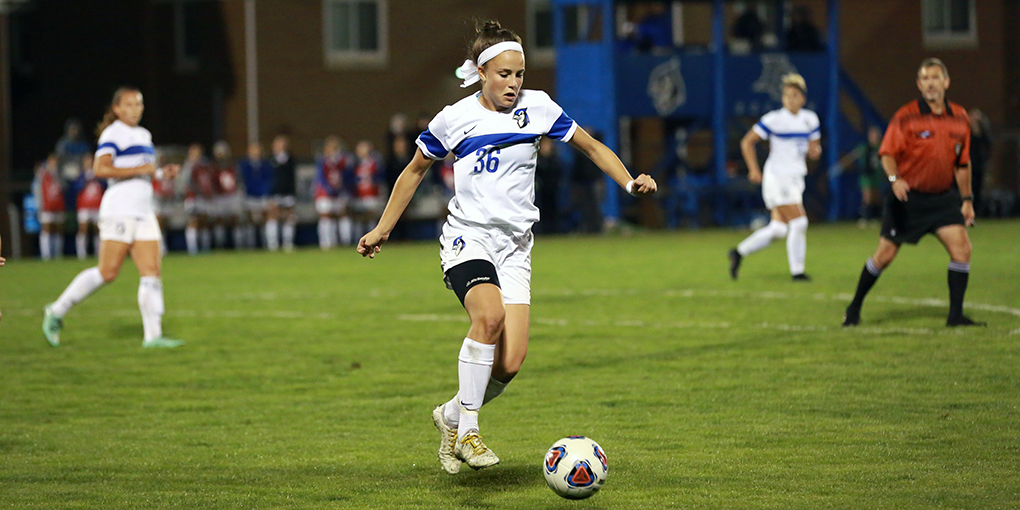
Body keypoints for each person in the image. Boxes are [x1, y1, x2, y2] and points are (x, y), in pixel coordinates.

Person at [356, 20, 657, 474]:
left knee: (511, 361)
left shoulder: (538, 108)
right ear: (481, 73)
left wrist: (629, 181)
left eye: (519, 74)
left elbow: (592, 147)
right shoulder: (454, 118)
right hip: (468, 237)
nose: (514, 83)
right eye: (504, 75)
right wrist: (383, 227)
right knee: (489, 317)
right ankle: (468, 433)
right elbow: (414, 170)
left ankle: (451, 414)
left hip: (516, 246)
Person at [843, 58, 982, 327]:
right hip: (908, 199)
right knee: (884, 256)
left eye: (935, 77)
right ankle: (854, 307)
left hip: (942, 198)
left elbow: (962, 163)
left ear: (946, 82)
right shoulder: (906, 116)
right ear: (919, 85)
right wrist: (895, 179)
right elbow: (886, 154)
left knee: (962, 249)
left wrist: (967, 199)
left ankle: (955, 316)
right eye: (925, 79)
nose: (930, 83)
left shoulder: (960, 117)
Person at [42, 87, 183, 348]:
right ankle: (56, 310)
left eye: (139, 104)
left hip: (143, 209)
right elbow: (101, 168)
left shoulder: (143, 134)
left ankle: (153, 337)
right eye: (129, 104)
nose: (135, 109)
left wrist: (162, 174)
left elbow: (142, 172)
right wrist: (145, 168)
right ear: (117, 108)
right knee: (108, 272)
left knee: (152, 271)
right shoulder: (113, 133)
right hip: (120, 208)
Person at [729, 73, 821, 281]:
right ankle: (797, 272)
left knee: (779, 229)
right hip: (778, 177)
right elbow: (747, 142)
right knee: (799, 222)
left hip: (796, 177)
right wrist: (754, 169)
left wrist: (815, 152)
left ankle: (738, 252)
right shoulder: (774, 119)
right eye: (786, 95)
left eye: (795, 95)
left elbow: (814, 148)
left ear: (803, 99)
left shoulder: (810, 119)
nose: (790, 99)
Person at [837, 125, 884, 225]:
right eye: (872, 135)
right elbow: (852, 157)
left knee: (876, 197)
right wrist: (841, 165)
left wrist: (891, 178)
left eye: (876, 135)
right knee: (867, 196)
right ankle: (864, 218)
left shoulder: (882, 148)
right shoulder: (864, 147)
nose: (874, 137)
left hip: (876, 176)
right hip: (866, 176)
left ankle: (875, 217)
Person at [314, 136, 353, 249]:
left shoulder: (344, 162)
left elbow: (348, 178)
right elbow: (320, 179)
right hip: (325, 194)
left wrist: (342, 190)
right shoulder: (322, 162)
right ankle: (326, 243)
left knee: (343, 215)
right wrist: (329, 189)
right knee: (326, 216)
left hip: (340, 193)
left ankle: (345, 242)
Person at [239, 141, 274, 249]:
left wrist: (266, 192)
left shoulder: (266, 165)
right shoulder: (244, 165)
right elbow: (242, 180)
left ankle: (268, 244)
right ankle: (250, 245)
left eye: (258, 150)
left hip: (262, 196)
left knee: (265, 220)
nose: (256, 152)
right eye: (253, 150)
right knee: (249, 221)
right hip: (249, 196)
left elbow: (269, 180)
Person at [212, 141, 245, 249]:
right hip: (219, 196)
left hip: (232, 195)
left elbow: (239, 180)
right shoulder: (213, 167)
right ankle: (220, 244)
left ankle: (239, 245)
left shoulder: (233, 165)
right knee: (219, 221)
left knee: (236, 220)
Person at [183, 143, 215, 255]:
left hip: (204, 198)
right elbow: (185, 183)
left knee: (204, 222)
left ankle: (205, 248)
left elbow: (208, 182)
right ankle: (192, 249)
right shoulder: (188, 166)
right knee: (193, 221)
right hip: (192, 198)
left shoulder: (204, 166)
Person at [33, 154, 66, 260]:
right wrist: (39, 205)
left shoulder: (60, 174)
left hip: (58, 206)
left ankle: (57, 254)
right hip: (46, 206)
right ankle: (46, 255)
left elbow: (65, 188)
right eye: (52, 161)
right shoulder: (42, 174)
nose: (54, 164)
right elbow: (37, 189)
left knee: (58, 229)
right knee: (46, 229)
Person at [267, 134, 297, 252]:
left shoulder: (291, 160)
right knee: (273, 217)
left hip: (288, 193)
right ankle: (272, 244)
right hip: (274, 194)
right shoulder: (270, 160)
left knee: (289, 218)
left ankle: (288, 244)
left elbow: (292, 178)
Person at [74, 153, 104, 259]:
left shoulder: (98, 173)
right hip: (84, 206)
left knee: (98, 229)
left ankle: (98, 252)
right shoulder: (81, 175)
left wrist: (97, 178)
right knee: (83, 229)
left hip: (97, 204)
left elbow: (104, 185)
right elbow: (76, 188)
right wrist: (85, 180)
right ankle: (81, 254)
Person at [968, 108, 991, 216]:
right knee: (968, 189)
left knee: (978, 189)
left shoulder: (983, 134)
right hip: (967, 166)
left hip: (979, 166)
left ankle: (977, 213)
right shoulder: (966, 133)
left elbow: (988, 146)